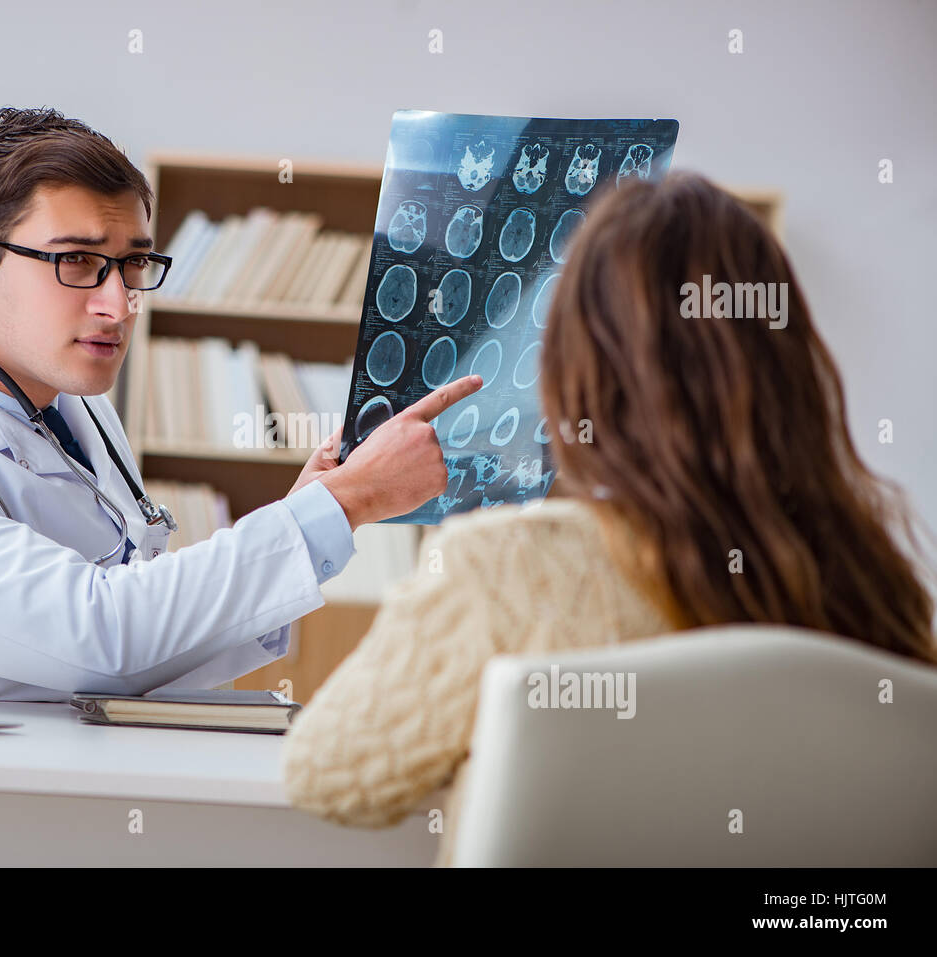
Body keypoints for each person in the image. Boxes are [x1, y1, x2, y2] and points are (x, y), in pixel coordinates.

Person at [281, 171, 937, 866]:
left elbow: (325, 774)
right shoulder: (876, 585)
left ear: (579, 371)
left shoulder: (508, 571)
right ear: (790, 368)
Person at [0, 106, 482, 699]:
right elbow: (100, 633)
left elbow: (146, 638)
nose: (118, 302)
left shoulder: (71, 400)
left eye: (134, 264)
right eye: (77, 261)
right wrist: (343, 504)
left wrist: (313, 506)